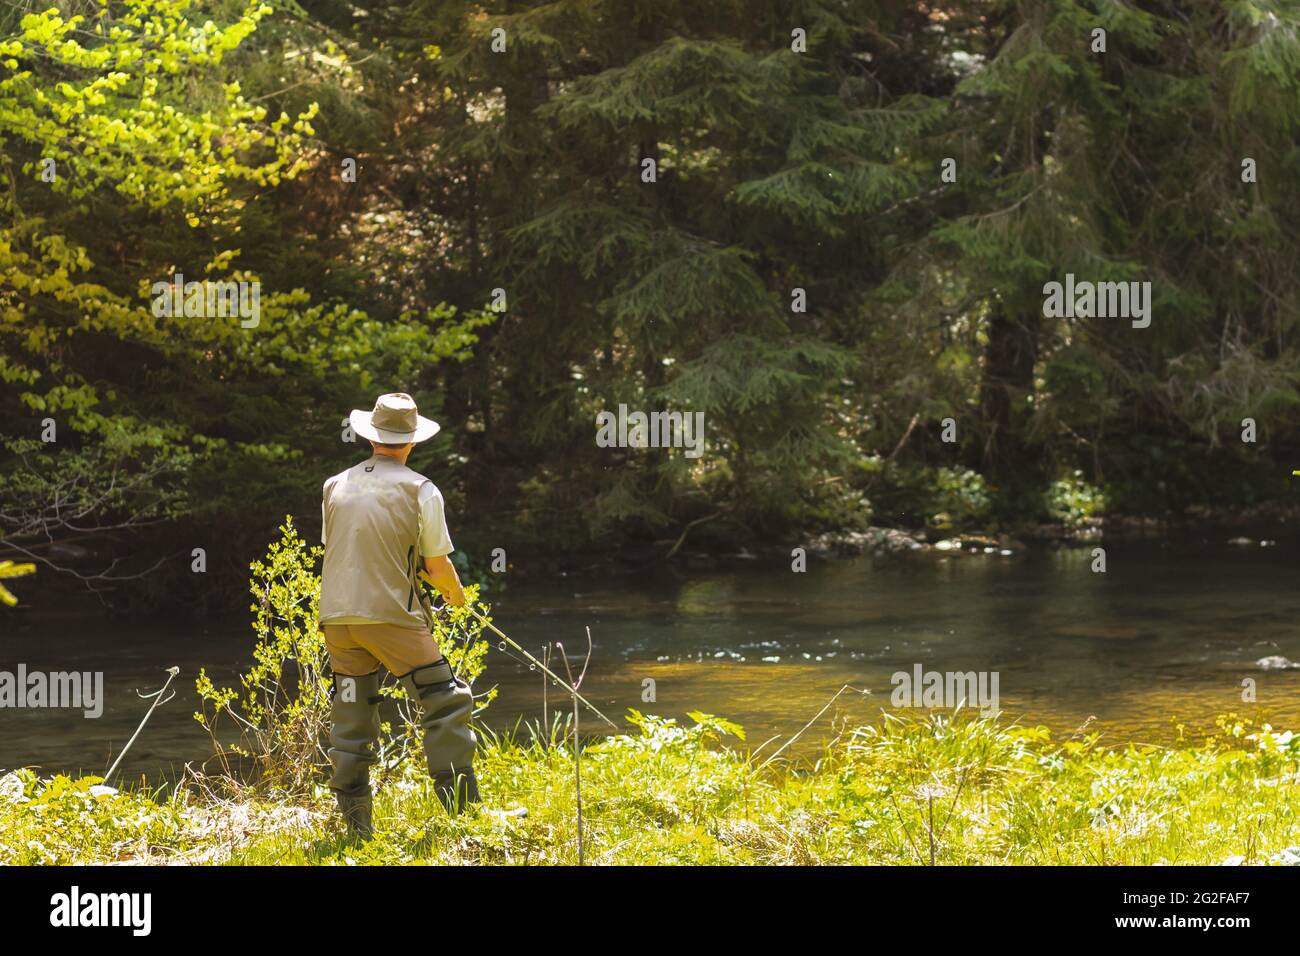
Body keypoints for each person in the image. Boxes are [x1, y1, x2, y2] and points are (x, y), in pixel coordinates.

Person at [318, 392, 476, 838]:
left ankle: (354, 828)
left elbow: (345, 548)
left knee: (352, 711)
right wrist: (455, 595)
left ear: (371, 436)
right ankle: (461, 815)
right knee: (446, 700)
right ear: (411, 442)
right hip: (392, 616)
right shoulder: (421, 489)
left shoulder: (334, 484)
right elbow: (437, 565)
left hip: (336, 618)